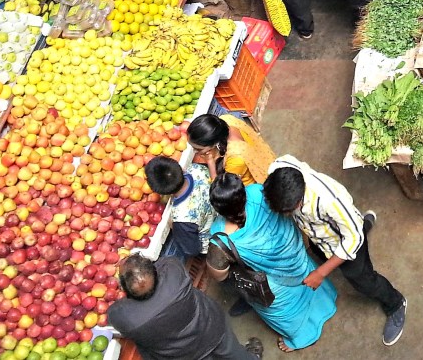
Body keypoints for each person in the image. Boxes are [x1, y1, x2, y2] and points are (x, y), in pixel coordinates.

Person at [263, 156, 406, 347]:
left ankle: (396, 304)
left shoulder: (329, 201)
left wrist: (321, 273)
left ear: (299, 201)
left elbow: (353, 239)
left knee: (362, 279)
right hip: (320, 235)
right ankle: (362, 223)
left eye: (287, 211)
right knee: (319, 250)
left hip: (344, 240)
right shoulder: (279, 168)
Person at [207, 174, 337, 354]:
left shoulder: (221, 239)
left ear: (219, 210)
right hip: (295, 253)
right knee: (307, 278)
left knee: (283, 309)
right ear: (242, 192)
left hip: (276, 284)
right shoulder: (259, 191)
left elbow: (219, 275)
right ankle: (324, 302)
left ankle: (300, 337)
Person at [144, 115, 276, 262]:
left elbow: (224, 189)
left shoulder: (182, 217)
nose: (195, 152)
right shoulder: (224, 122)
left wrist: (211, 162)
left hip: (240, 194)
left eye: (199, 149)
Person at [108, 253, 263, 360]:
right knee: (233, 352)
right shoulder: (174, 273)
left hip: (180, 355)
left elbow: (114, 313)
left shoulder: (123, 317)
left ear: (124, 288)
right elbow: (164, 262)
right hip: (210, 327)